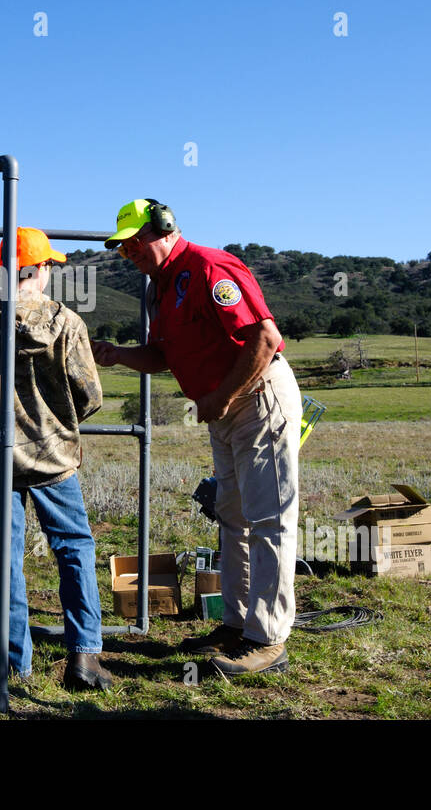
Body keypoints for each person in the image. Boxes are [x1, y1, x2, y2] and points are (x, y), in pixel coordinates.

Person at [90, 199, 301, 676]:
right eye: (123, 251)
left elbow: (264, 339)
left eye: (135, 243)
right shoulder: (160, 289)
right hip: (224, 405)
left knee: (267, 517)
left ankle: (268, 640)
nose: (131, 255)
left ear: (163, 230)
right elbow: (163, 354)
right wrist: (118, 355)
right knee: (233, 515)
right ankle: (237, 625)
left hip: (255, 395)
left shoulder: (209, 266)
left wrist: (224, 396)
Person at [0, 227, 111, 690]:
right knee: (74, 550)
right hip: (54, 458)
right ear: (38, 271)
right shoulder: (66, 323)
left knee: (4, 559)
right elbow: (90, 397)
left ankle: (13, 663)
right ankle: (84, 658)